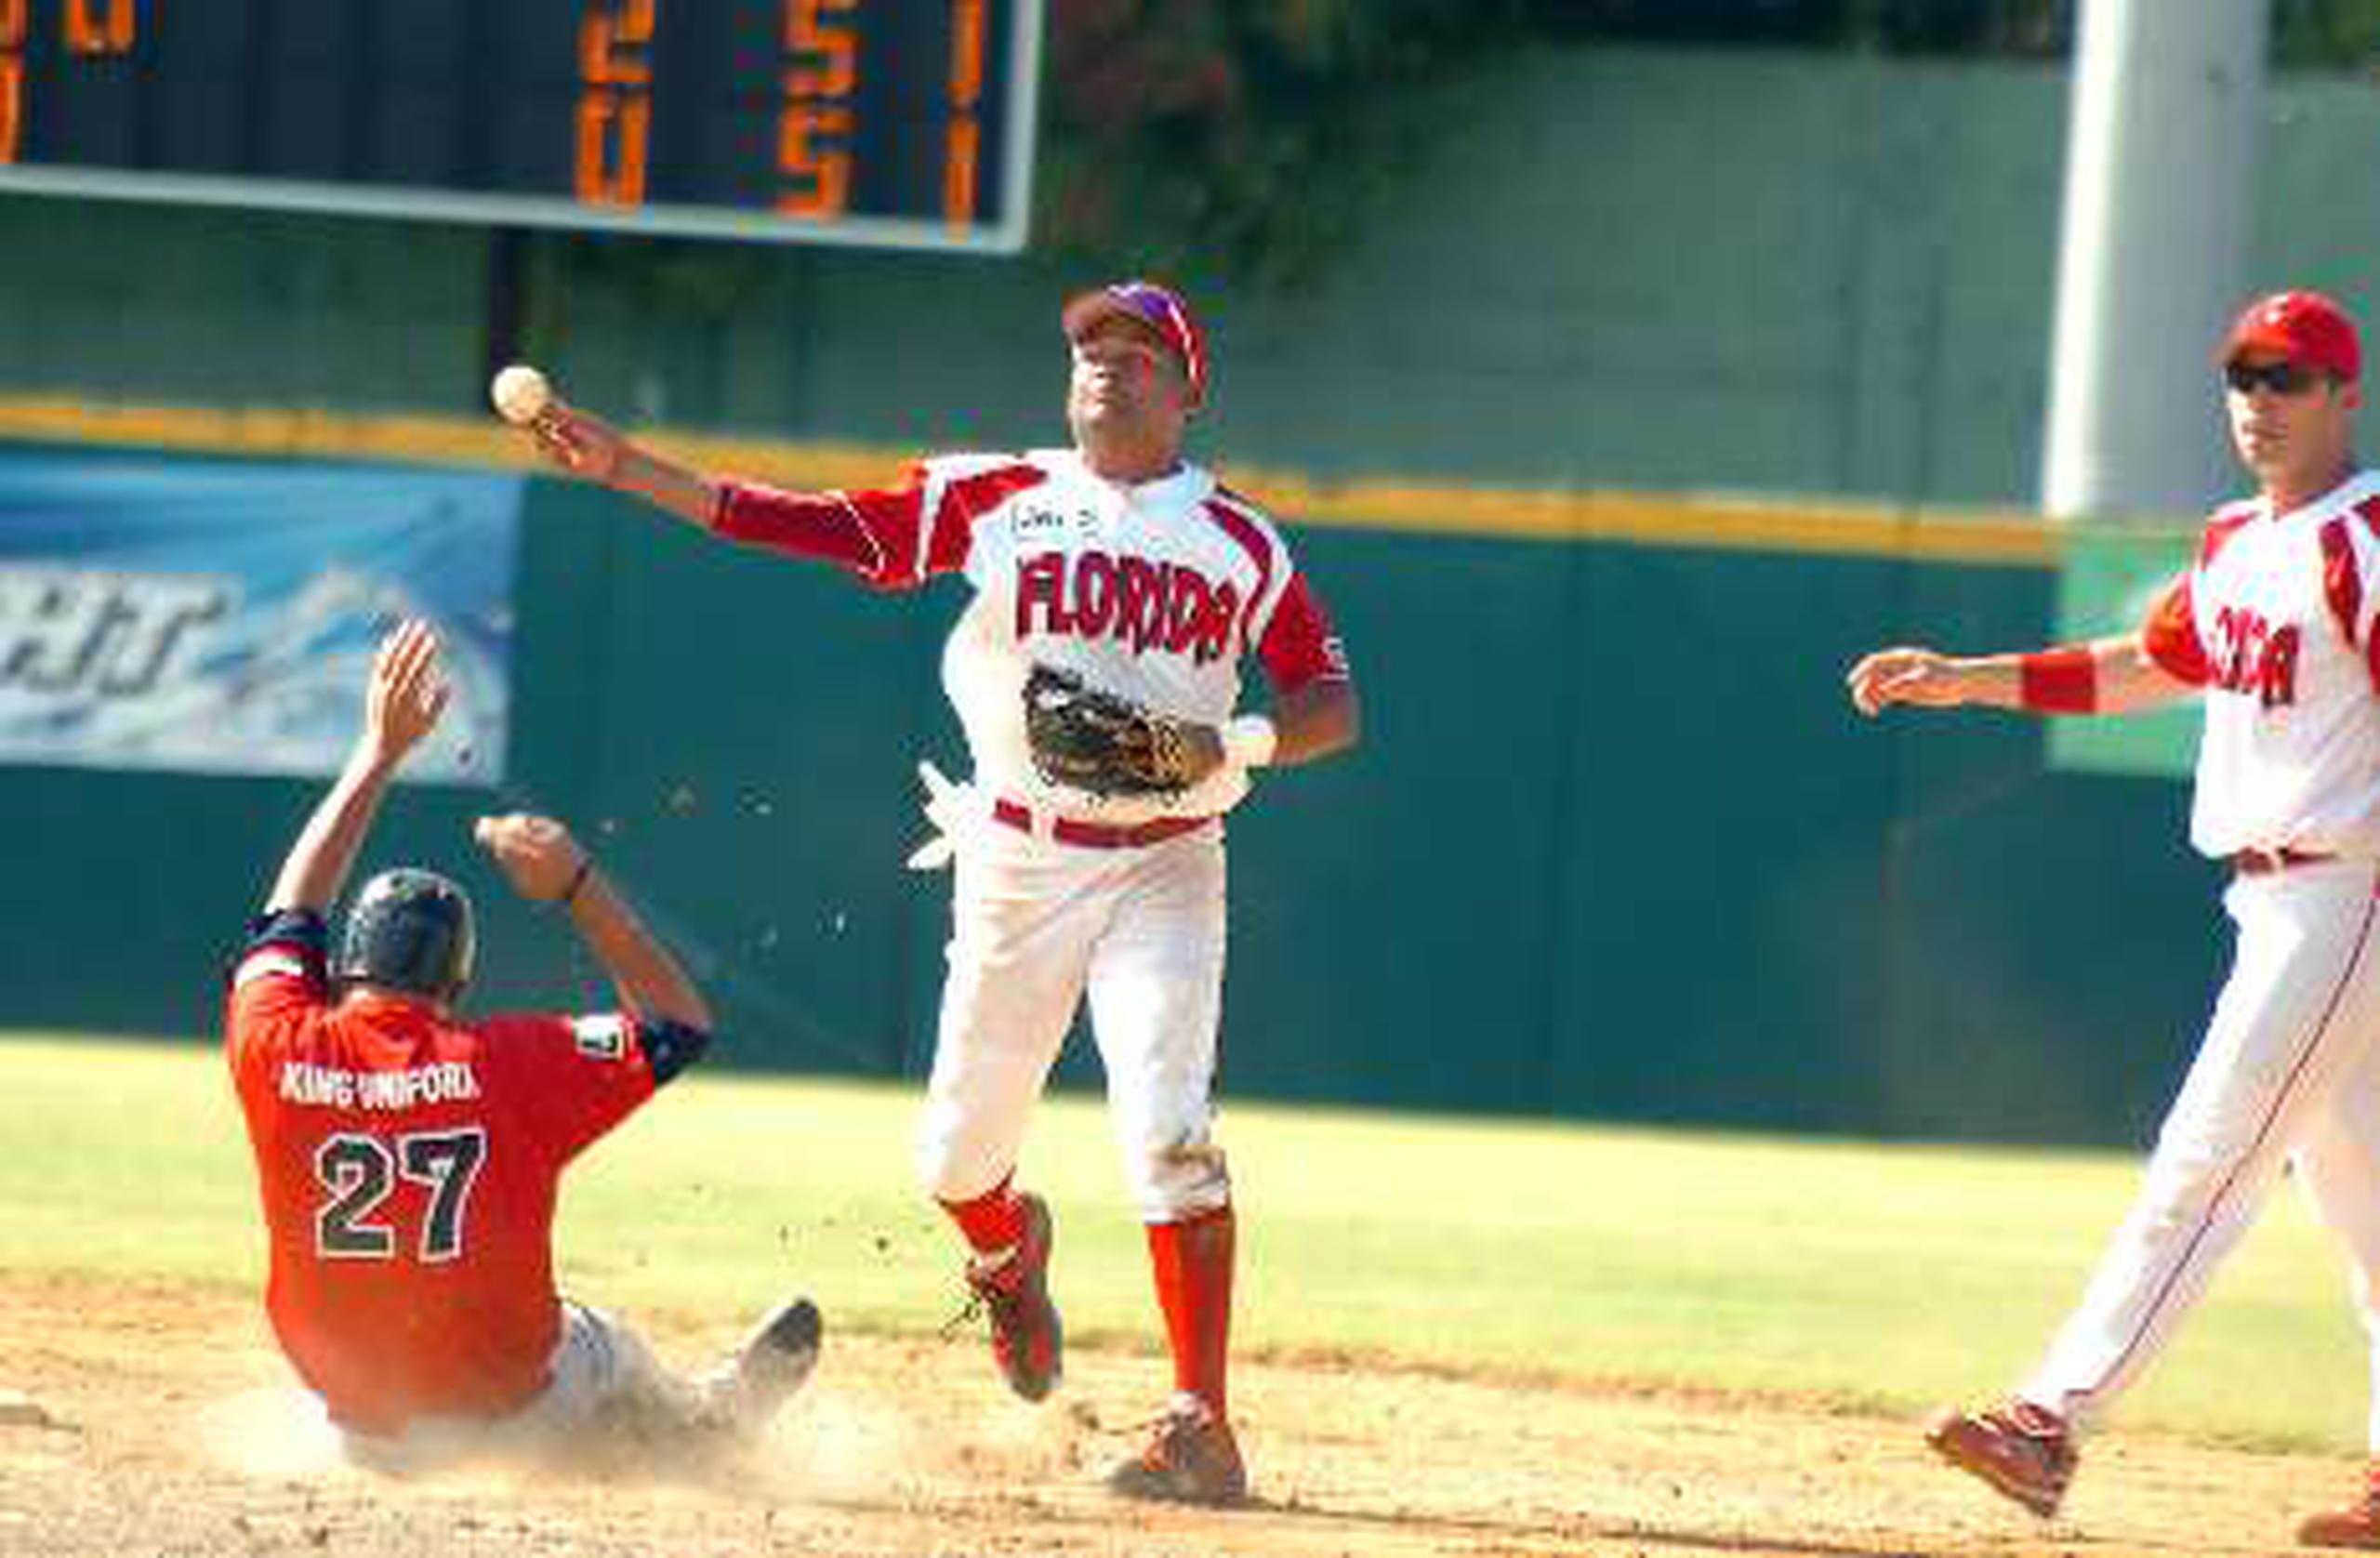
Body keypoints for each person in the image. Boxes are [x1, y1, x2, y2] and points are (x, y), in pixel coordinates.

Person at [509, 279, 1360, 1505]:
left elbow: (1332, 703)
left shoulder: (1241, 544)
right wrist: (631, 466)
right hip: (1018, 860)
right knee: (957, 1162)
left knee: (1169, 1133)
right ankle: (1009, 1261)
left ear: (1187, 388)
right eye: (1088, 351)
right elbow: (811, 523)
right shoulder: (1001, 496)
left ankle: (1201, 1426)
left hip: (1171, 865)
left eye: (1134, 353)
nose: (1103, 369)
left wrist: (1237, 746)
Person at [1846, 289, 2380, 1547]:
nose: (2260, 401)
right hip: (2276, 895)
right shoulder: (2237, 539)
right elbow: (2154, 664)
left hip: (2345, 891)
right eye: (2245, 376)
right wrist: (1971, 680)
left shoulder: (2363, 544)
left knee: (2210, 1156)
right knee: (2363, 1199)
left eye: (2289, 379)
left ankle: (2049, 1422)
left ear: (2345, 396)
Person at [225, 618, 822, 1475]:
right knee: (601, 1339)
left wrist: (378, 753)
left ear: (343, 963)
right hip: (512, 1422)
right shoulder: (500, 1065)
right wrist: (578, 884)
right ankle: (706, 1424)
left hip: (358, 1434)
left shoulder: (273, 1044)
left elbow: (290, 908)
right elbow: (678, 1021)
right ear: (455, 984)